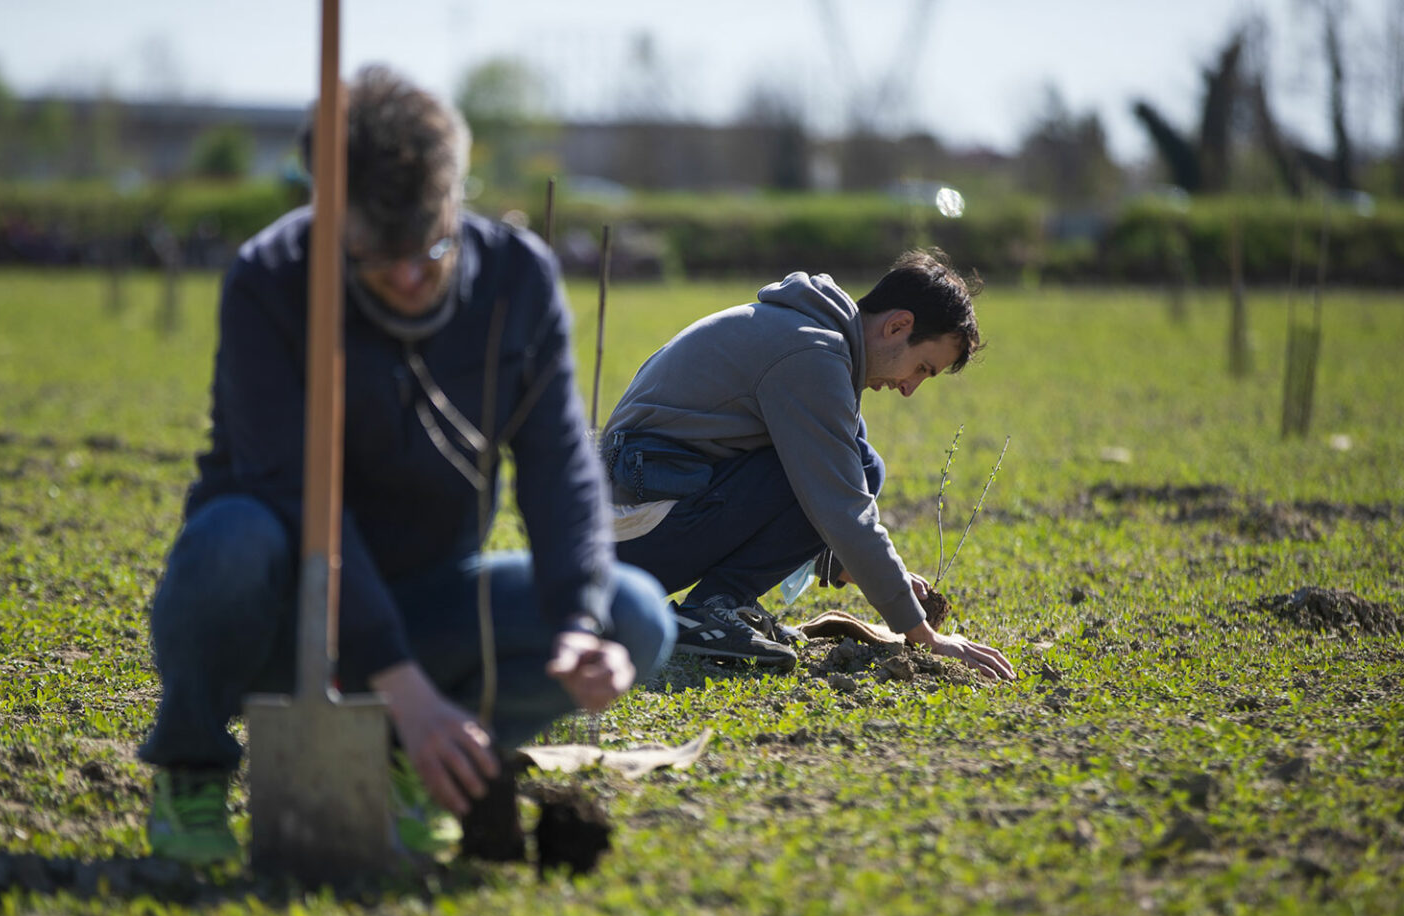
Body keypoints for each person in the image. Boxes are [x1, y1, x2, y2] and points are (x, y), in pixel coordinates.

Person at [138, 66, 674, 865]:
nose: (410, 276)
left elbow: (560, 468)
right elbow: (292, 492)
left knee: (635, 613)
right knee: (230, 540)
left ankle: (409, 762)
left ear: (456, 198)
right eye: (375, 258)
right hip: (283, 604)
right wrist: (400, 682)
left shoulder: (517, 281)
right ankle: (190, 769)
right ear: (329, 217)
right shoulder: (272, 281)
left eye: (430, 247)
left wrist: (574, 621)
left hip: (430, 600)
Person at [600, 250, 1015, 681]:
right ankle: (711, 610)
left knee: (859, 459)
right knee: (857, 467)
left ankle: (718, 608)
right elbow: (841, 505)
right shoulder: (811, 353)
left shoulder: (812, 338)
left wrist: (843, 564)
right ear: (898, 325)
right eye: (922, 368)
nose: (909, 388)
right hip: (621, 542)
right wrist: (924, 635)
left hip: (647, 518)